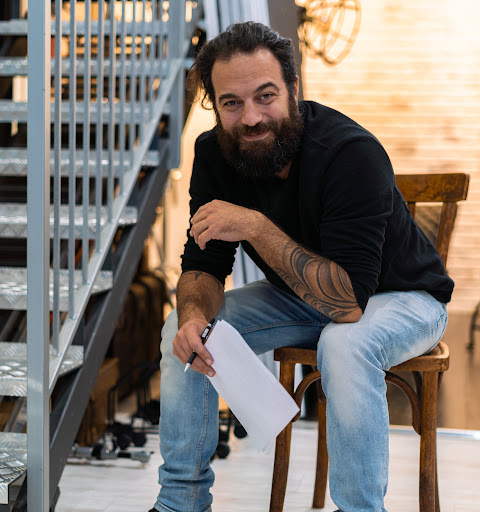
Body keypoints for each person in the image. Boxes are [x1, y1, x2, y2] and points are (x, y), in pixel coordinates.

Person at [151, 21, 453, 512]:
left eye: (265, 96)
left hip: (402, 297)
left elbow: (349, 306)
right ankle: (180, 502)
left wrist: (255, 226)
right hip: (300, 297)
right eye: (231, 103)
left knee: (344, 341)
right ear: (215, 106)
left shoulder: (350, 153)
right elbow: (204, 265)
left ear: (293, 88)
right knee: (181, 332)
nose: (251, 117)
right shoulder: (214, 153)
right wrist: (193, 315)